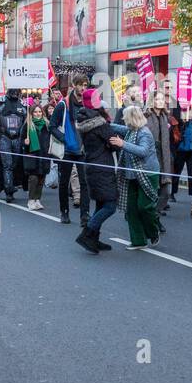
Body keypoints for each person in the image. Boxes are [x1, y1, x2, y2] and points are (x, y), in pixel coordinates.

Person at [73, 89, 119, 253]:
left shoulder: (84, 118)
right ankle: (87, 233)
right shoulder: (99, 122)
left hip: (92, 166)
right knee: (110, 205)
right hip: (102, 168)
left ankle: (94, 239)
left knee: (101, 203)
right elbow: (114, 143)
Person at [112, 104, 162, 249]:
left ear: (132, 118)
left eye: (126, 118)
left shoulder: (144, 133)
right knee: (131, 209)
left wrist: (122, 144)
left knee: (144, 207)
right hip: (132, 174)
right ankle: (138, 241)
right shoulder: (131, 130)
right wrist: (105, 123)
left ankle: (153, 232)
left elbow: (143, 151)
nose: (124, 120)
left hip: (147, 174)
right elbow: (118, 128)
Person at [51, 74, 91, 226]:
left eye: (85, 85)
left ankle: (85, 215)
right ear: (74, 85)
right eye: (80, 85)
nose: (83, 88)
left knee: (84, 183)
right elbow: (52, 126)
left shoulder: (88, 104)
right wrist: (64, 138)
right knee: (64, 182)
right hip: (67, 150)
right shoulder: (63, 104)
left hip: (82, 150)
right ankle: (64, 212)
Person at [143, 91, 174, 224]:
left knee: (166, 192)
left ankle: (154, 215)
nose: (161, 101)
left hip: (164, 157)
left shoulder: (164, 116)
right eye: (158, 99)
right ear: (152, 101)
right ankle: (152, 220)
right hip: (150, 157)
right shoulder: (145, 116)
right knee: (151, 192)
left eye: (162, 99)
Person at [0, 89, 28, 202]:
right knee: (7, 165)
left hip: (17, 138)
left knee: (15, 164)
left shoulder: (22, 107)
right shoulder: (0, 105)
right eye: (12, 92)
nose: (15, 94)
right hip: (5, 137)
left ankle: (11, 185)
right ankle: (8, 189)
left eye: (16, 92)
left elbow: (26, 121)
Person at [25, 100, 51, 210]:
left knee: (41, 178)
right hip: (32, 155)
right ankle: (31, 200)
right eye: (35, 112)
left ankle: (37, 199)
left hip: (44, 155)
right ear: (31, 113)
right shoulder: (27, 125)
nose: (38, 114)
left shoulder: (47, 125)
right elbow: (21, 140)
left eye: (39, 112)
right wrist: (25, 142)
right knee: (33, 178)